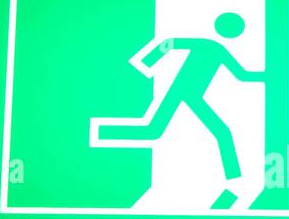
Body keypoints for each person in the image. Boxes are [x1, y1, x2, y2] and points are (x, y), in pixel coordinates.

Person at [92, 11, 264, 181]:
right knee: (155, 131)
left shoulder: (218, 50)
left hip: (192, 96)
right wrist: (146, 63)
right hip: (180, 91)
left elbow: (242, 75)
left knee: (216, 132)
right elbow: (171, 42)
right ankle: (100, 133)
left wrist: (269, 75)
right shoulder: (207, 45)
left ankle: (234, 177)